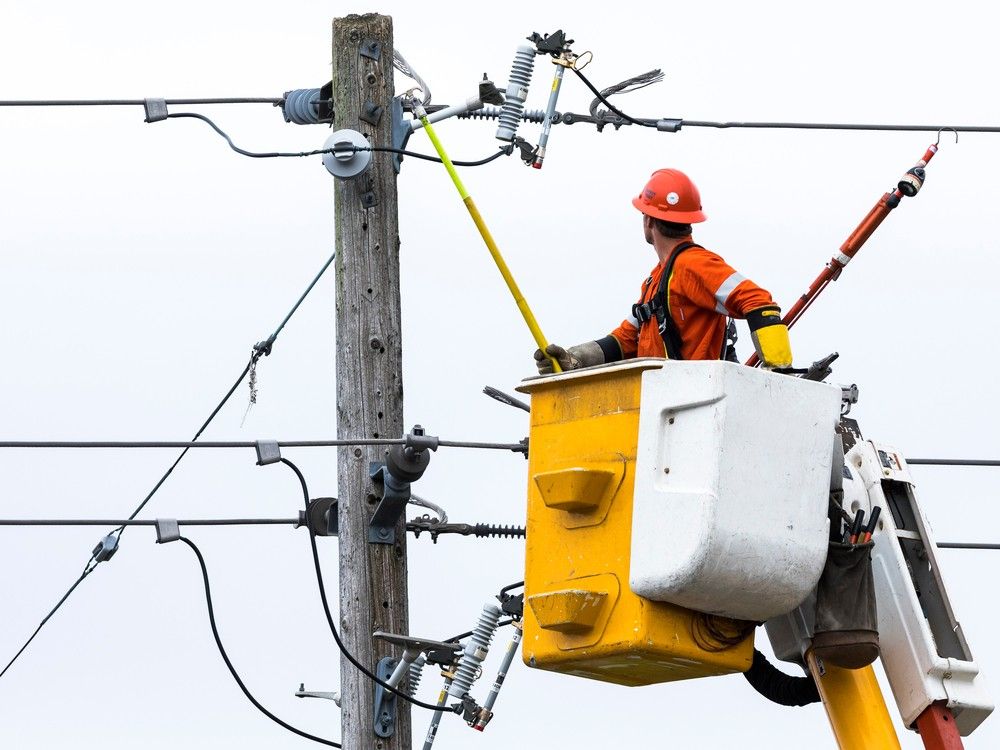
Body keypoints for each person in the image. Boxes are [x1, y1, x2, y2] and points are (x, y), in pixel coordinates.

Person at [534, 168, 792, 373]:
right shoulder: (658, 278)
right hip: (666, 403)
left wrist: (779, 373)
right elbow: (628, 338)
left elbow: (758, 301)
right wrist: (575, 359)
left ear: (648, 220)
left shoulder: (693, 265)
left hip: (691, 401)